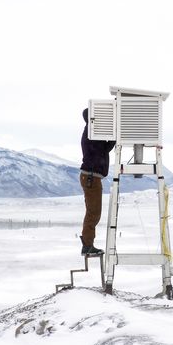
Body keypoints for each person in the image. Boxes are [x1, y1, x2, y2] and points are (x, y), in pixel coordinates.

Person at [79, 108, 115, 255]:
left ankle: (88, 244)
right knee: (93, 213)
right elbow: (102, 149)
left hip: (91, 177)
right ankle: (87, 245)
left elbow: (104, 149)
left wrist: (114, 137)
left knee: (93, 212)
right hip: (91, 177)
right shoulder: (91, 132)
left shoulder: (92, 132)